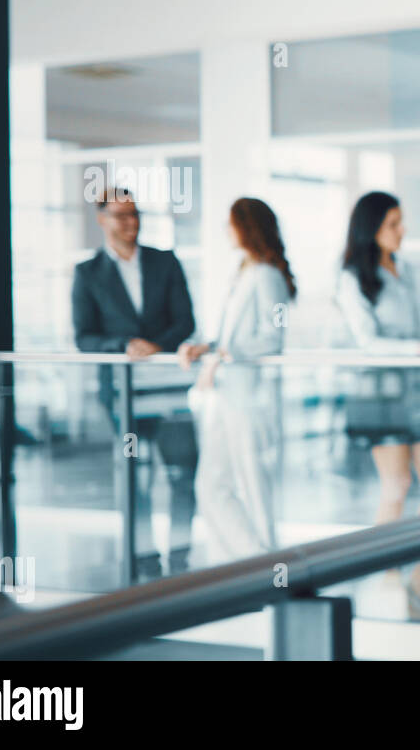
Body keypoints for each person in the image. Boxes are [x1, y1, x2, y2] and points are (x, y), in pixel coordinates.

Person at [336, 191, 420, 621]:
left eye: (401, 222)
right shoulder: (352, 277)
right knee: (397, 486)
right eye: (393, 224)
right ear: (371, 229)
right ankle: (387, 577)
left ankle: (419, 573)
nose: (402, 230)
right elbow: (367, 343)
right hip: (379, 398)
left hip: (415, 397)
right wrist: (419, 350)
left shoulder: (404, 271)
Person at [72, 187, 198, 580]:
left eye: (135, 214)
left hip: (168, 389)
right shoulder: (88, 273)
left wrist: (157, 347)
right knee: (135, 479)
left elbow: (186, 321)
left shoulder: (165, 262)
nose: (132, 223)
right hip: (124, 392)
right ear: (102, 219)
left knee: (182, 475)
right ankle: (145, 560)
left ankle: (180, 558)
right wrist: (124, 345)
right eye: (122, 215)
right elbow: (84, 337)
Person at [179, 198, 296, 561]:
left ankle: (267, 566)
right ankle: (252, 560)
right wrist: (209, 347)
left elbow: (274, 337)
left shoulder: (267, 275)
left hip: (249, 397)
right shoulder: (242, 272)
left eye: (230, 223)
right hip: (226, 394)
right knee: (211, 486)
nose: (225, 231)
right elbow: (232, 337)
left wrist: (227, 352)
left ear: (246, 227)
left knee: (253, 486)